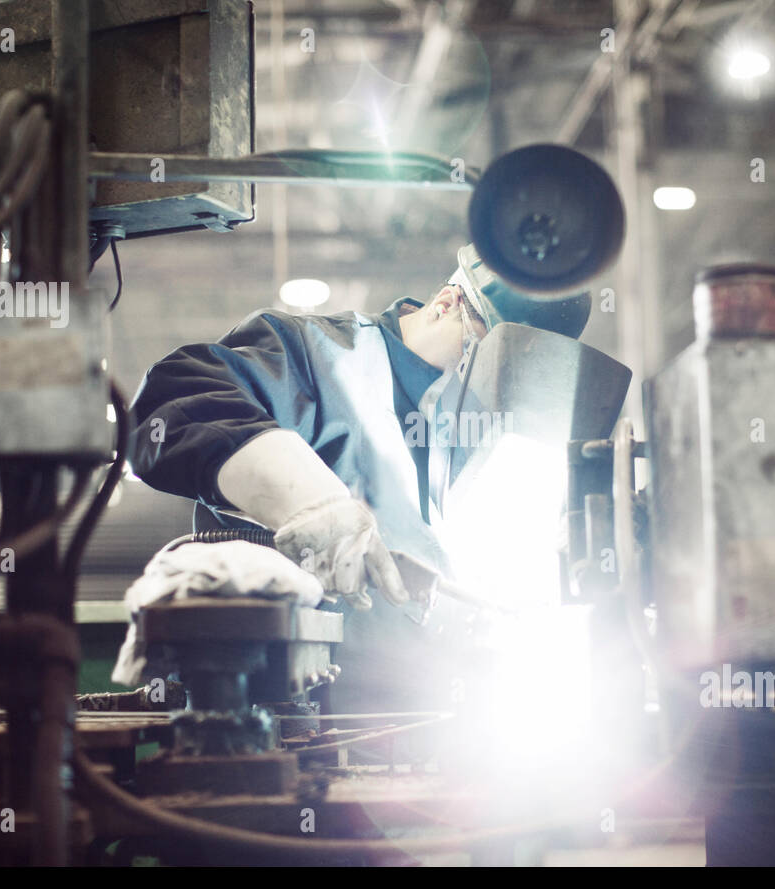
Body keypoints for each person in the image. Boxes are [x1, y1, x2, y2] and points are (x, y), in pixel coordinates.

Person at [126, 243, 592, 714]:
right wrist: (311, 502)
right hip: (274, 722)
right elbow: (172, 400)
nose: (490, 388)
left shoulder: (490, 433)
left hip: (422, 732)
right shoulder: (314, 356)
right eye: (486, 354)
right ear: (446, 304)